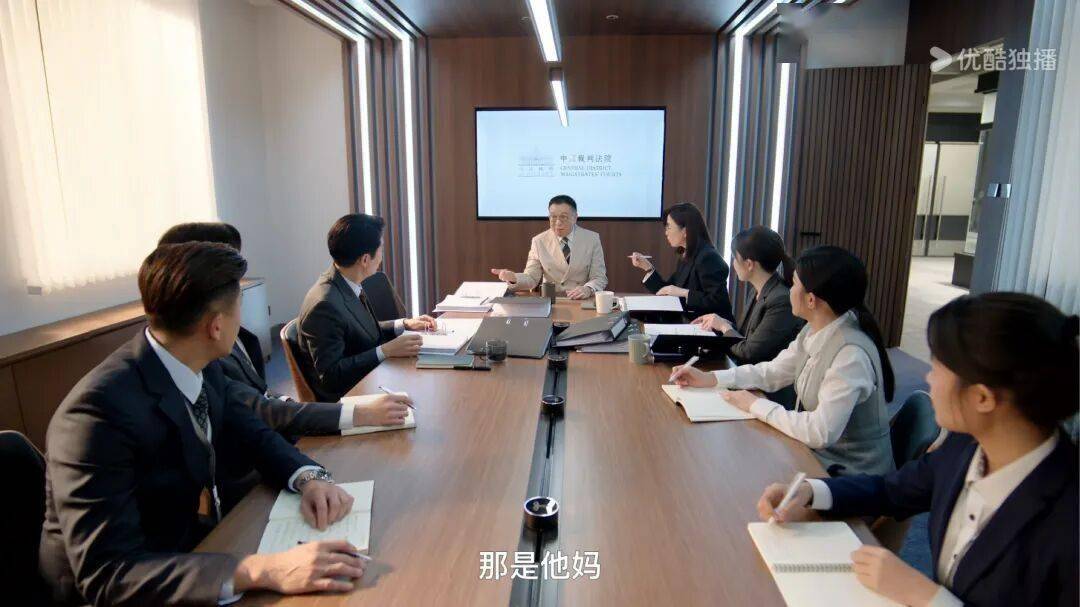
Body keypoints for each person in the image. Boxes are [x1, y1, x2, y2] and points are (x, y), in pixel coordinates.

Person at [40, 242, 367, 606]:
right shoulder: (95, 416)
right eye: (239, 307)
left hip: (188, 547)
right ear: (216, 326)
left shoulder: (197, 361)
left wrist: (308, 478)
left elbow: (253, 433)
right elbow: (108, 575)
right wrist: (261, 570)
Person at [757, 293, 1079, 607]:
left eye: (937, 368)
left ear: (982, 398)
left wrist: (927, 597)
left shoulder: (1068, 520)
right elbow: (891, 490)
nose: (928, 378)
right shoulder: (966, 446)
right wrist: (811, 491)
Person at [159, 222, 411, 438]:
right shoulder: (204, 355)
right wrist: (359, 413)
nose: (238, 292)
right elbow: (259, 410)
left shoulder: (236, 338)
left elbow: (258, 397)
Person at [671, 245, 895, 477]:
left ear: (811, 300)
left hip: (851, 476)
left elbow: (820, 431)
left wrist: (754, 404)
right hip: (816, 456)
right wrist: (711, 378)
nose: (789, 290)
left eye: (794, 284)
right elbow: (773, 372)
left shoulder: (850, 355)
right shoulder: (815, 329)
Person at [298, 214, 436, 402]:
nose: (381, 257)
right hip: (352, 397)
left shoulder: (346, 282)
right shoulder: (324, 305)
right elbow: (331, 376)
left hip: (370, 379)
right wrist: (385, 351)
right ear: (365, 259)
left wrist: (403, 324)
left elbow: (360, 330)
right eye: (381, 250)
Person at [692, 226, 804, 365]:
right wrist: (720, 323)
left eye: (735, 258)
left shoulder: (781, 300)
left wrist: (724, 327)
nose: (733, 263)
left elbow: (749, 352)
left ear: (749, 264)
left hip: (761, 376)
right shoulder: (757, 290)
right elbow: (745, 336)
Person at [490, 194, 608, 300]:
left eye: (563, 217)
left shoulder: (591, 239)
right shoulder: (539, 241)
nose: (558, 222)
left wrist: (588, 289)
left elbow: (599, 277)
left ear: (575, 217)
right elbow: (531, 278)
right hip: (552, 301)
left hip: (580, 300)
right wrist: (514, 278)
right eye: (553, 217)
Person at [629, 202, 734, 321]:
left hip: (712, 328)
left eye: (669, 227)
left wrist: (684, 293)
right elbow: (666, 290)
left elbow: (718, 301)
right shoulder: (687, 255)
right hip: (692, 324)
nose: (666, 233)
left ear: (685, 231)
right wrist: (647, 267)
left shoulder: (708, 257)